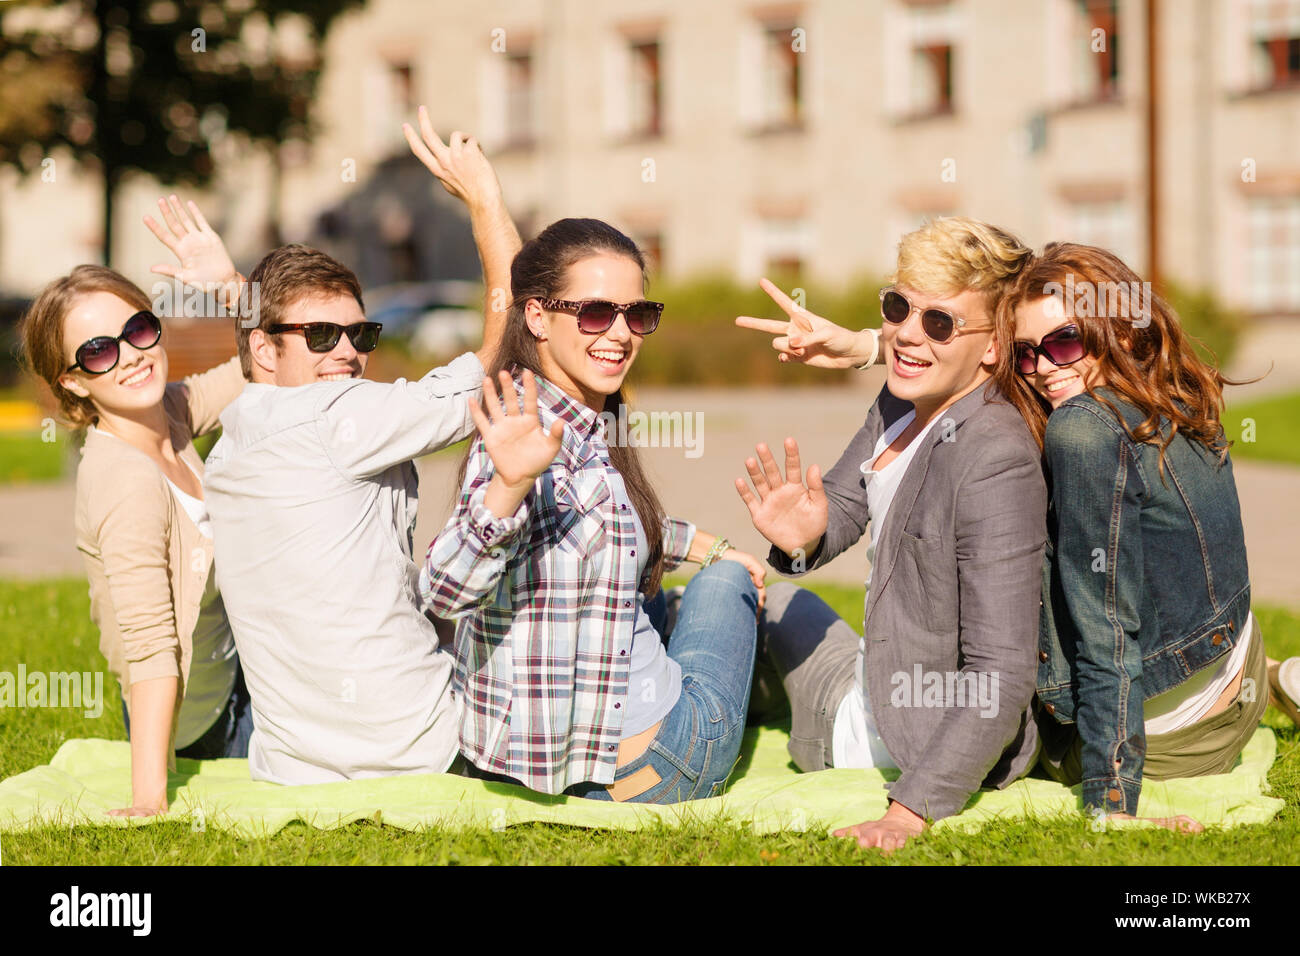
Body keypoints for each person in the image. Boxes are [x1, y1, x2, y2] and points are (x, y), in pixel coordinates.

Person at [202, 112, 521, 785]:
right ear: (264, 348)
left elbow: (269, 355)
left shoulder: (229, 444)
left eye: (359, 335)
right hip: (423, 749)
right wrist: (487, 206)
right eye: (322, 336)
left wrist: (239, 291)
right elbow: (502, 359)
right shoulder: (339, 415)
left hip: (293, 767)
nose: (346, 353)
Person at [420, 217, 768, 803]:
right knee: (729, 585)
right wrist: (507, 485)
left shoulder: (573, 421)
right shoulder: (520, 442)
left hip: (534, 759)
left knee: (708, 572)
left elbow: (599, 519)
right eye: (595, 313)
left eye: (638, 315)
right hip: (660, 764)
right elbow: (443, 591)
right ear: (536, 317)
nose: (622, 333)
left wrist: (702, 543)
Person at [733, 217, 1047, 852]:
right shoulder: (906, 399)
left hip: (887, 734)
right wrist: (804, 535)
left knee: (729, 594)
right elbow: (848, 500)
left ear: (993, 346)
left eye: (939, 323)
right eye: (898, 305)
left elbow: (1004, 671)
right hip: (879, 670)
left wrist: (908, 810)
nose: (906, 333)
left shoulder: (995, 456)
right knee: (753, 585)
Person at [995, 241, 1284, 829]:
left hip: (1175, 742)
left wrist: (1111, 802)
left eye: (1065, 343)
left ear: (1121, 332)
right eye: (1027, 353)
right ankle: (1277, 680)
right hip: (1233, 664)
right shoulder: (1168, 392)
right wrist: (877, 346)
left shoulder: (1081, 426)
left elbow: (1106, 630)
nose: (1044, 368)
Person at [19, 196, 249, 816]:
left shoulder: (169, 412)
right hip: (200, 728)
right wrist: (150, 797)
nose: (130, 355)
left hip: (242, 687)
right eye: (98, 352)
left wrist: (231, 288)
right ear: (73, 381)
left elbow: (270, 366)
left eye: (139, 329)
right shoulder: (124, 479)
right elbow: (148, 647)